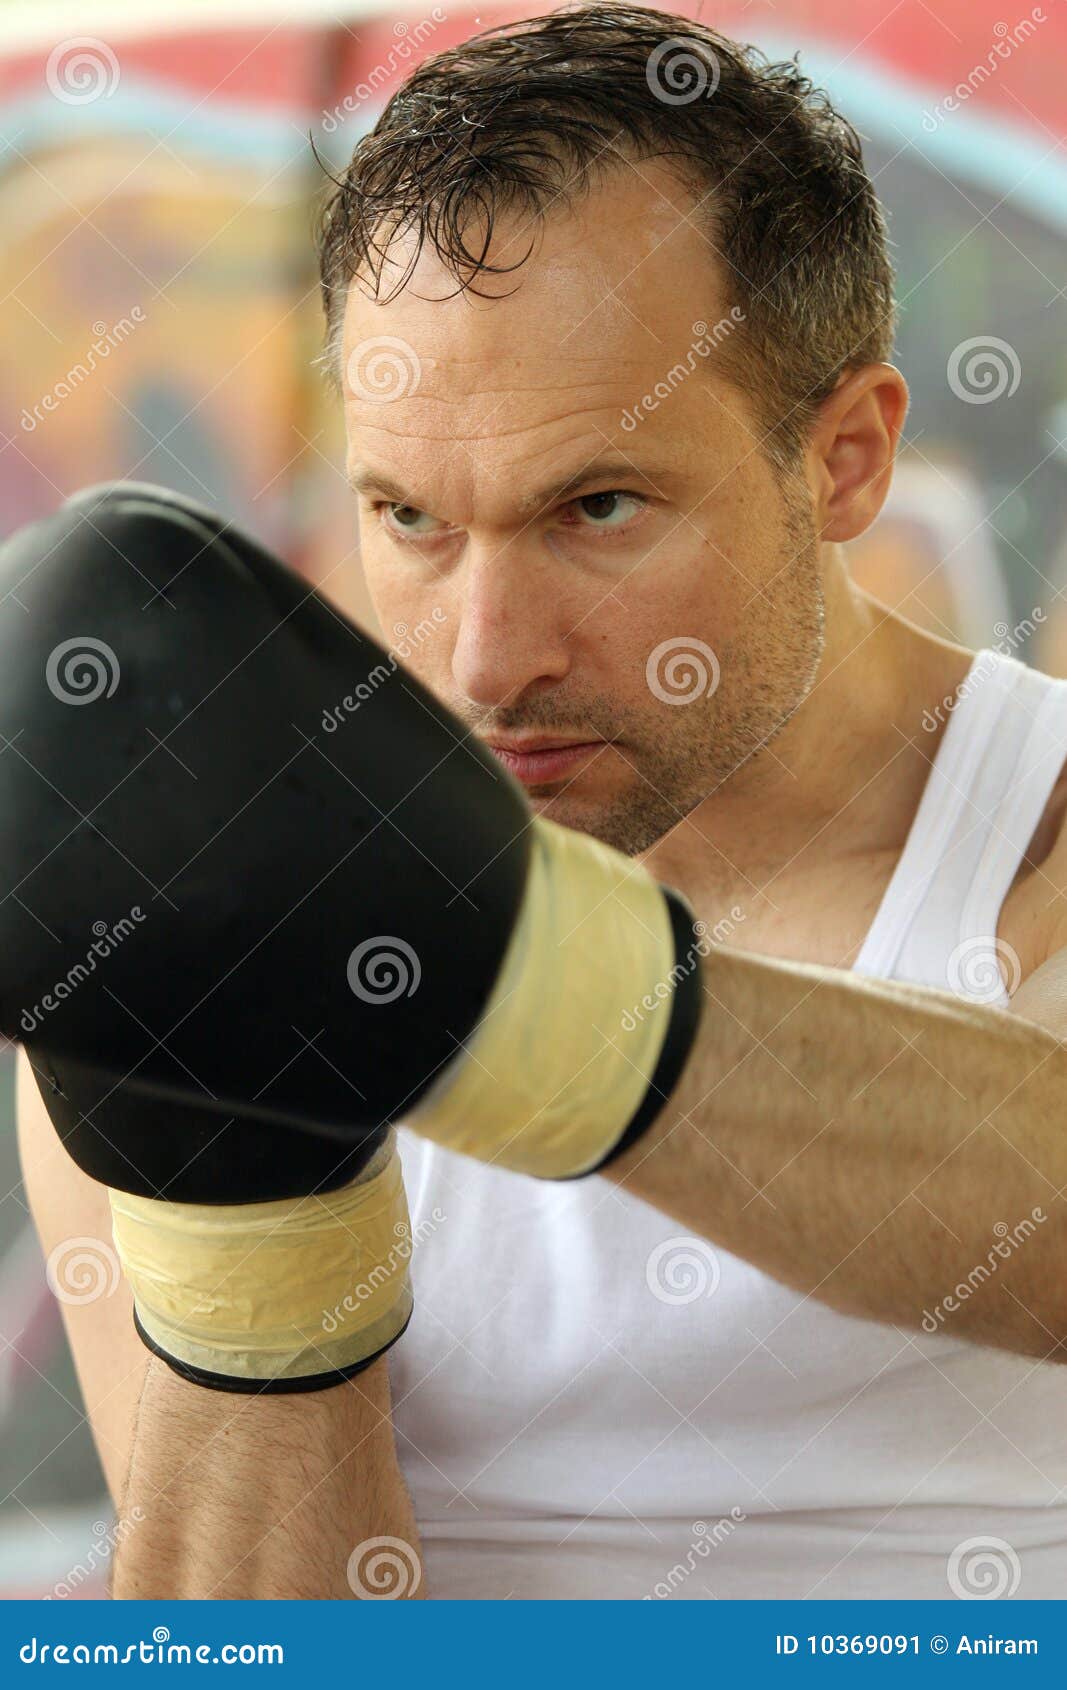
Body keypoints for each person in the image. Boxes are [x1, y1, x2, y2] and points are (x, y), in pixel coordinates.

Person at [15, 3, 1067, 1600]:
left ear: (846, 458)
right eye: (412, 517)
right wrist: (264, 1244)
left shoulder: (1038, 830)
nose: (490, 657)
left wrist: (506, 989)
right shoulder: (191, 905)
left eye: (600, 505)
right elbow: (254, 1647)